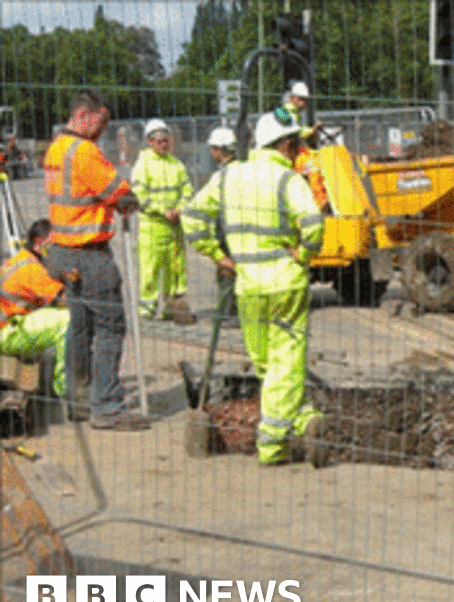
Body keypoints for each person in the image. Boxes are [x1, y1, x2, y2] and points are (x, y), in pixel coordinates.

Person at [181, 109, 325, 466]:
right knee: (285, 365)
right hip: (286, 284)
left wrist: (217, 255)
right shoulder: (288, 179)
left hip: (247, 285)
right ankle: (274, 443)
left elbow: (192, 217)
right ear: (285, 144)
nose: (298, 150)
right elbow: (314, 225)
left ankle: (304, 419)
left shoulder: (228, 176)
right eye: (296, 144)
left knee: (266, 364)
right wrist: (305, 254)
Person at [42, 89, 149, 431]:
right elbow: (117, 191)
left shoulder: (56, 148)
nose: (103, 130)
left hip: (62, 252)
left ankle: (78, 399)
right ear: (83, 115)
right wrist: (130, 199)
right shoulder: (84, 151)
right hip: (89, 253)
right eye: (101, 121)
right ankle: (107, 407)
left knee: (80, 328)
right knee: (109, 328)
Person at [130, 118, 195, 324]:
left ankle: (171, 308)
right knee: (150, 270)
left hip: (173, 227)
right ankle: (147, 311)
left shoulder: (177, 165)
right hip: (152, 227)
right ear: (149, 141)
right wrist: (162, 211)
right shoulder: (143, 165)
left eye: (166, 140)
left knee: (174, 270)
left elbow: (187, 190)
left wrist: (179, 209)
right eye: (159, 141)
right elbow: (139, 195)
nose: (163, 144)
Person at [0, 219, 72, 398]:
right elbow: (66, 299)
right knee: (67, 321)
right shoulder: (32, 269)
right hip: (7, 333)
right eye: (54, 244)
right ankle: (65, 388)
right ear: (39, 243)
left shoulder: (23, 259)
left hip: (8, 327)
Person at [197, 126, 239, 323]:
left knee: (227, 271)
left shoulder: (222, 177)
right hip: (242, 231)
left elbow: (197, 212)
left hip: (228, 231)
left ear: (217, 150)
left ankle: (229, 313)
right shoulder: (245, 169)